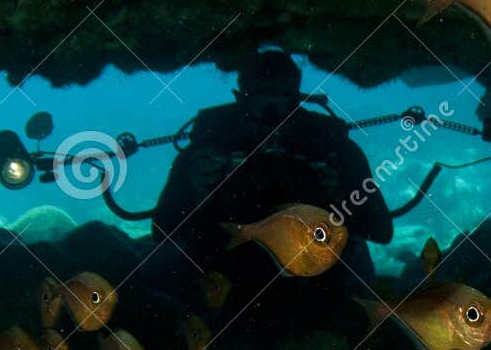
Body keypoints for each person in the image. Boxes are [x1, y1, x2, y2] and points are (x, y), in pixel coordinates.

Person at [149, 50, 392, 280]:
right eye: (259, 99)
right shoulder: (209, 147)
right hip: (223, 280)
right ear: (240, 98)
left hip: (315, 280)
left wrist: (340, 196)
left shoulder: (331, 147)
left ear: (297, 99)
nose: (269, 112)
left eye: (280, 99)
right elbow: (162, 231)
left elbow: (380, 230)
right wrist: (195, 192)